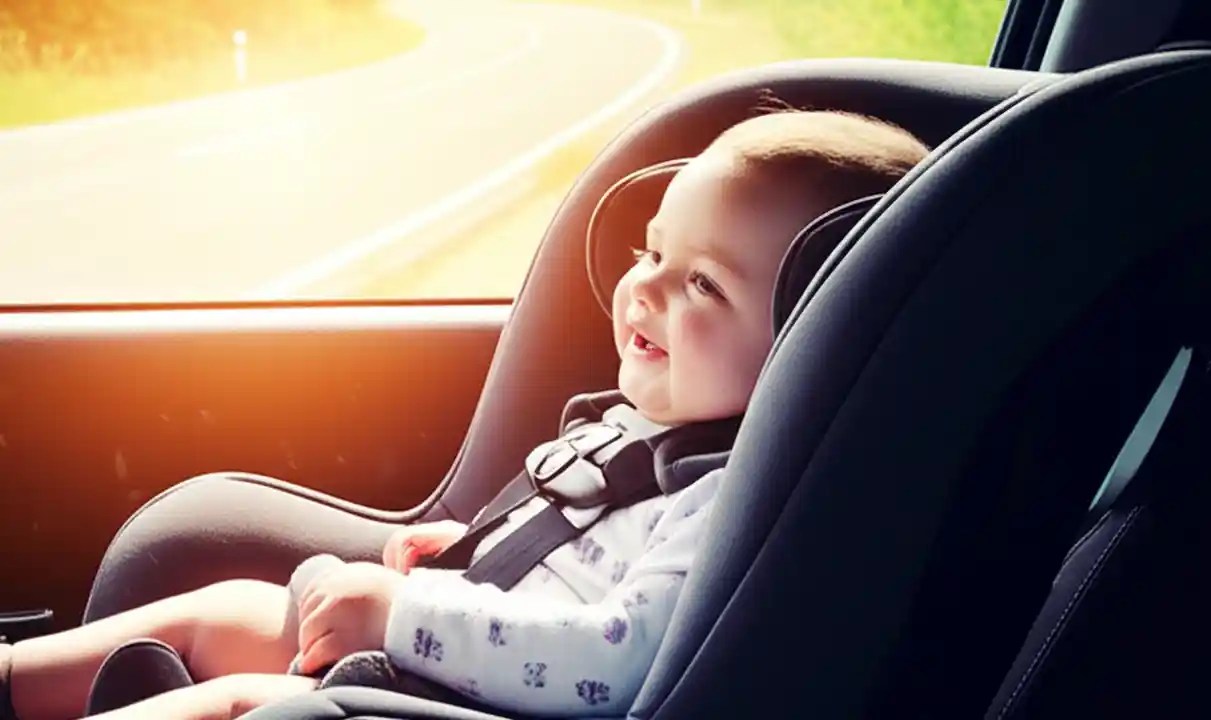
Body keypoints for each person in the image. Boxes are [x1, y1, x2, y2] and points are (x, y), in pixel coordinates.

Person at [0, 107, 929, 720]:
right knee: (238, 608)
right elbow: (561, 560)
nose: (644, 291)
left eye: (701, 284)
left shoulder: (726, 504)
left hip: (464, 703)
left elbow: (615, 660)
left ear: (815, 344)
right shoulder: (644, 438)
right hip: (448, 653)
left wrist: (405, 614)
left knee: (251, 699)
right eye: (651, 254)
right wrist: (462, 554)